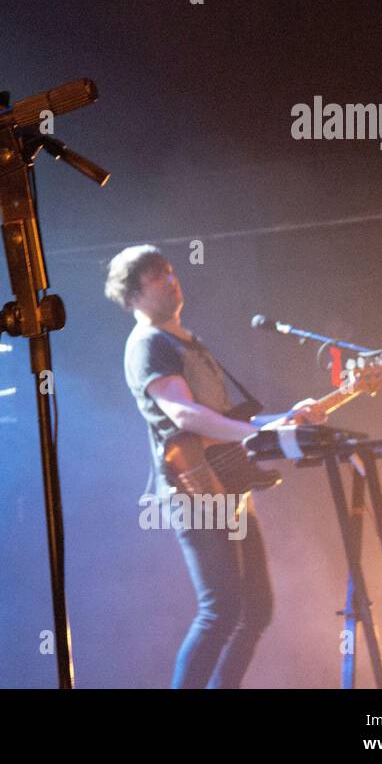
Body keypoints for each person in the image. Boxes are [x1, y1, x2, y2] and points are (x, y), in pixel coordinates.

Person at [106, 245, 323, 688]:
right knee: (221, 609)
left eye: (169, 270)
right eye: (155, 276)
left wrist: (285, 418)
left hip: (228, 484)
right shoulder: (148, 344)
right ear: (132, 295)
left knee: (256, 610)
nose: (171, 279)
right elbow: (184, 416)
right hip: (195, 487)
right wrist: (253, 435)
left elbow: (227, 421)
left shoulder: (190, 342)